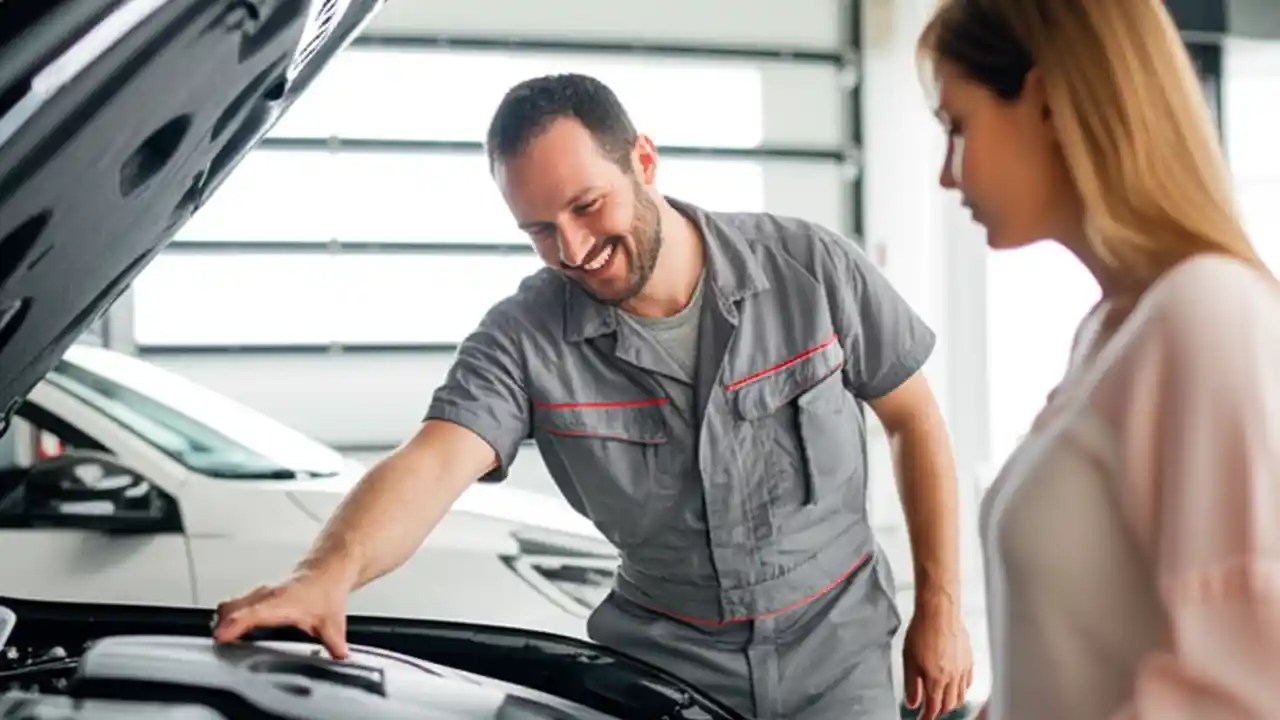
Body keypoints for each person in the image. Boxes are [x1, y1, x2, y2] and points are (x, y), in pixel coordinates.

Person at [212, 73, 974, 719]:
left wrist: (941, 605)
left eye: (586, 207)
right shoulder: (524, 339)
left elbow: (913, 420)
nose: (572, 250)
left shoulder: (811, 267)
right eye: (539, 229)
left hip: (839, 656)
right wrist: (326, 575)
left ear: (644, 160)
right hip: (666, 672)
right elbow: (431, 466)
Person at [917, 1, 1280, 718]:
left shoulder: (1207, 314)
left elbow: (1249, 685)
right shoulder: (1112, 332)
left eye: (958, 127)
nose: (946, 177)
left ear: (1049, 103)